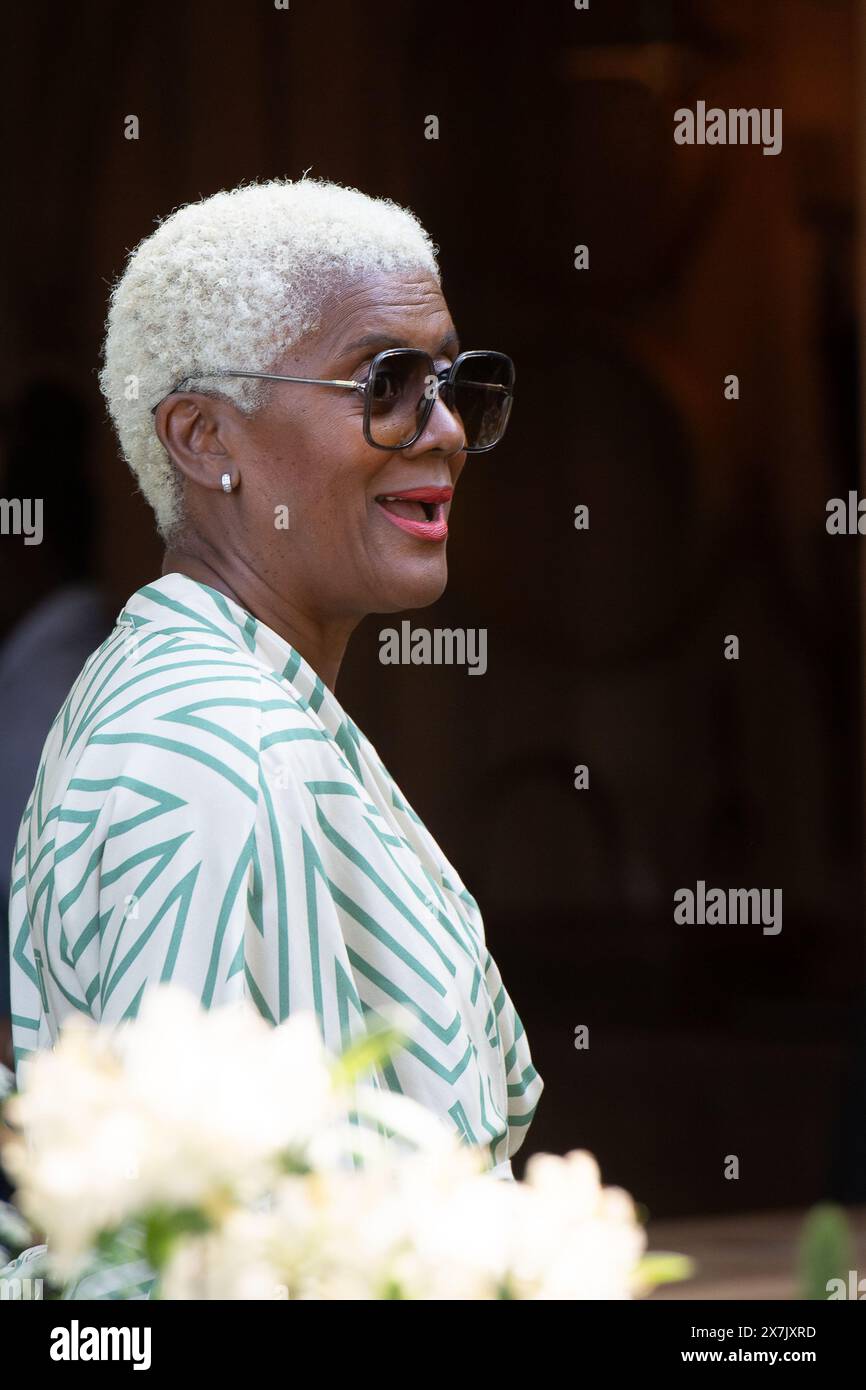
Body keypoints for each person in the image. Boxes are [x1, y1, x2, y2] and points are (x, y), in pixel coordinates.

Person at [7, 178, 543, 1179]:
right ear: (204, 438)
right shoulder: (202, 743)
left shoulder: (223, 699)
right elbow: (185, 1247)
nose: (447, 431)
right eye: (384, 383)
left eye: (452, 382)